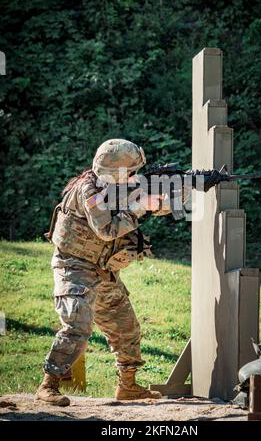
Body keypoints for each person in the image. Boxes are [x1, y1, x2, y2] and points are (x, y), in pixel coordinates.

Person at [35, 139, 172, 406]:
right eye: (131, 172)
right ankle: (48, 385)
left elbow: (158, 207)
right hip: (74, 266)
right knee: (77, 325)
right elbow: (106, 231)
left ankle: (128, 386)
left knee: (126, 327)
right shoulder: (89, 191)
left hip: (102, 269)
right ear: (116, 172)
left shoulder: (121, 186)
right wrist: (142, 205)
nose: (135, 177)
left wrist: (162, 201)